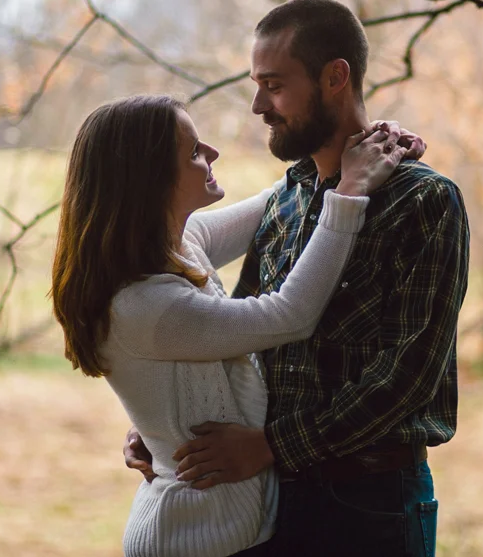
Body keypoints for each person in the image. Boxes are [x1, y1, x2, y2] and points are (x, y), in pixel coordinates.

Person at [125, 0, 470, 557]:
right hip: (264, 498)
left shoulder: (424, 201)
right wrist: (166, 427)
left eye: (274, 85)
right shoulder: (287, 198)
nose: (258, 105)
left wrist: (271, 447)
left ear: (335, 78)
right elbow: (237, 343)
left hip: (369, 503)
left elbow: (408, 375)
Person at [50, 93, 421, 557]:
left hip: (220, 529)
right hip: (195, 538)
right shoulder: (146, 304)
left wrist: (361, 146)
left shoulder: (179, 245)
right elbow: (290, 314)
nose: (213, 153)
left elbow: (274, 202)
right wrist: (348, 193)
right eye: (193, 151)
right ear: (149, 178)